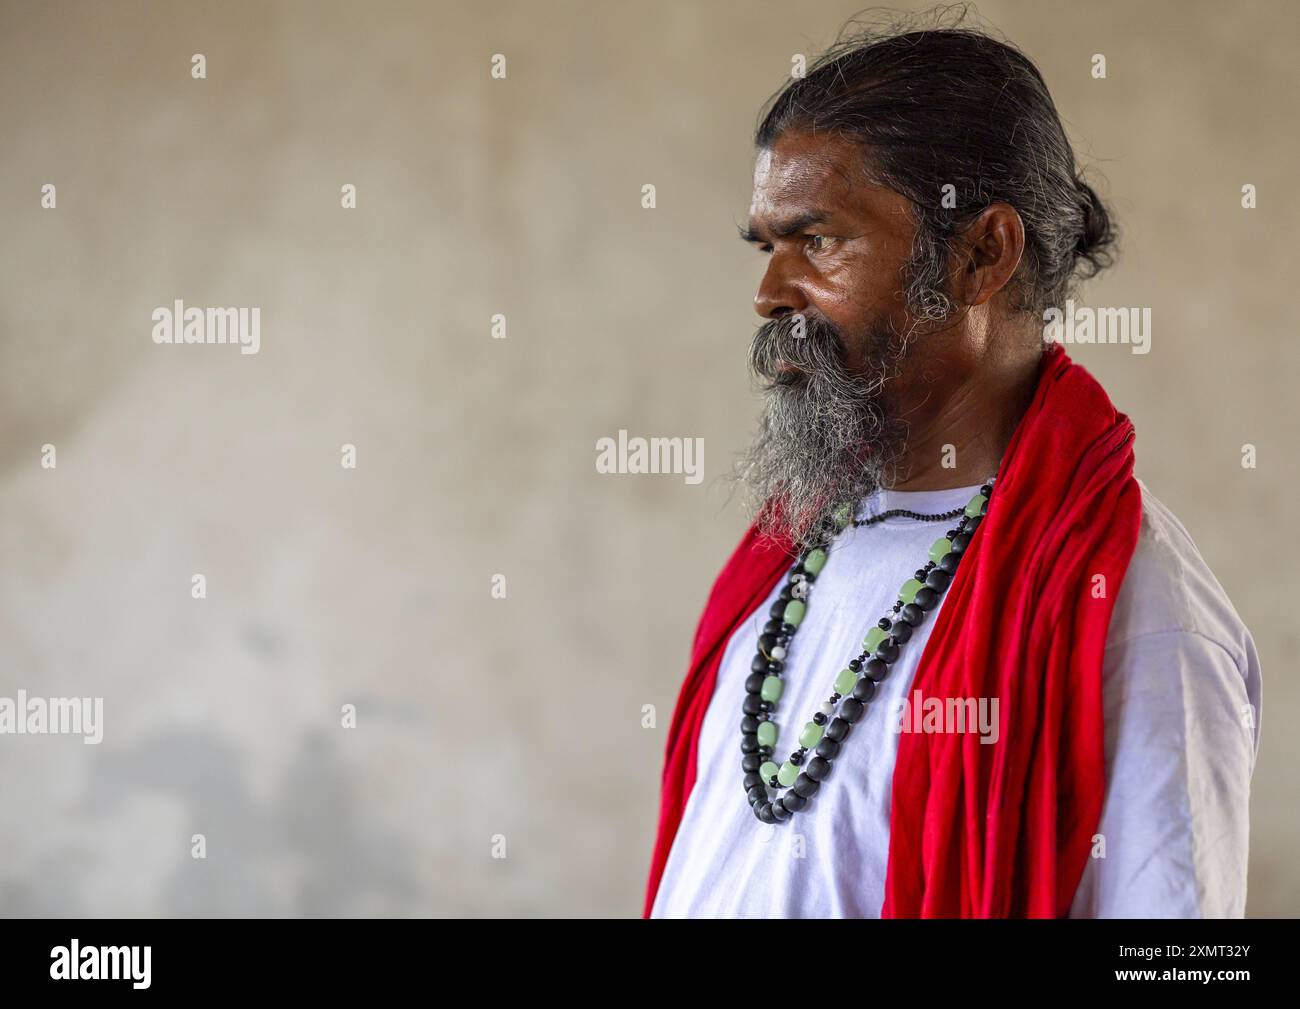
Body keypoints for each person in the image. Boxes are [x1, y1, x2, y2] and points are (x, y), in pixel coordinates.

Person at [643, 20, 1262, 918]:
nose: (769, 293)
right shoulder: (790, 551)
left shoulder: (1133, 607)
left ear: (982, 254)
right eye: (764, 246)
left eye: (818, 241)